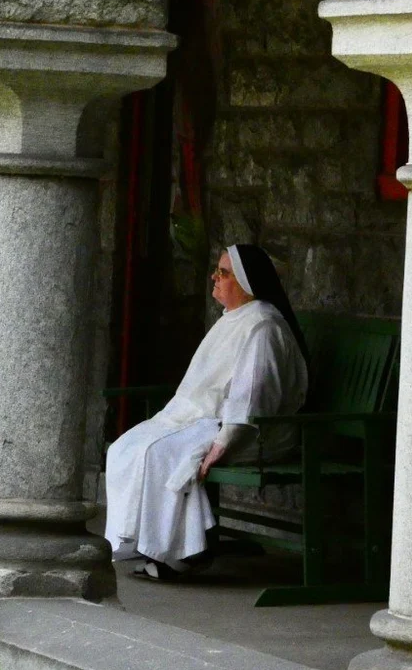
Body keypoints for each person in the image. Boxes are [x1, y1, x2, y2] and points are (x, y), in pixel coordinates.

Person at [104, 244, 309, 581]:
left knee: (162, 454)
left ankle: (185, 553)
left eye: (223, 272)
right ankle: (147, 542)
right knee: (125, 448)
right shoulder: (235, 318)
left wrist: (225, 441)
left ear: (245, 282)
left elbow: (253, 395)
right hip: (207, 419)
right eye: (217, 269)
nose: (214, 277)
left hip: (253, 433)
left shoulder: (262, 326)